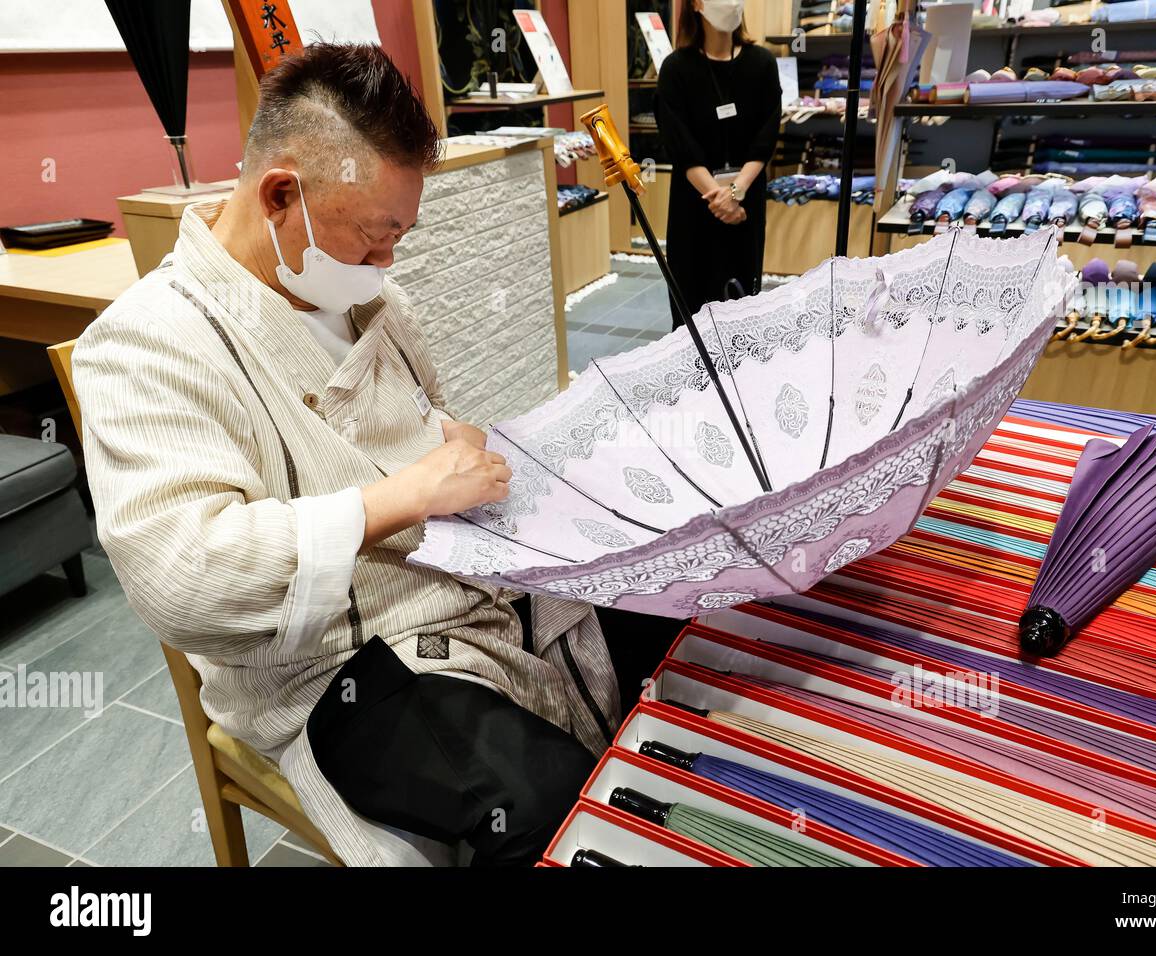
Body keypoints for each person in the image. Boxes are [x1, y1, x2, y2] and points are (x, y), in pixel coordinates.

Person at [74, 43, 678, 867]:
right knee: (543, 809)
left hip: (467, 583)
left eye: (400, 236)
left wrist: (452, 438)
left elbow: (420, 416)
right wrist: (404, 496)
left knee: (674, 604)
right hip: (332, 667)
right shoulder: (148, 346)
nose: (387, 263)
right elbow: (186, 580)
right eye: (373, 236)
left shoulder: (369, 297)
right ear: (282, 194)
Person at [655, 0, 782, 328]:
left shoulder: (763, 63)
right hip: (694, 207)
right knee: (690, 312)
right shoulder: (675, 69)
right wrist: (720, 197)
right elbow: (680, 145)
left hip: (745, 205)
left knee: (741, 307)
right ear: (697, 4)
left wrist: (736, 191)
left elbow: (766, 135)